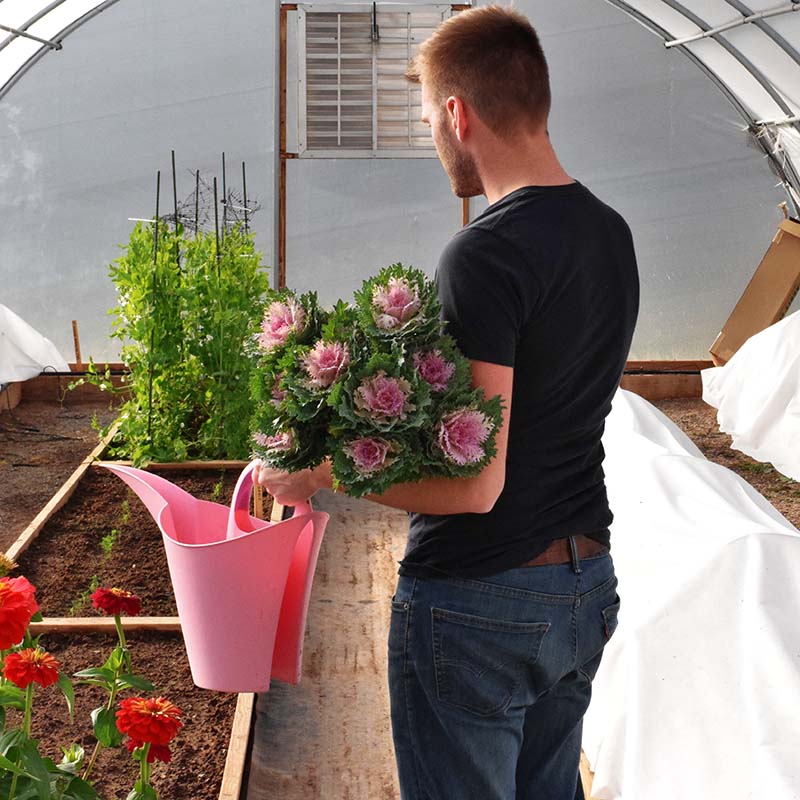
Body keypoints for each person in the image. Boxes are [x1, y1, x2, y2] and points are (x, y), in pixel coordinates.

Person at [256, 5, 639, 798]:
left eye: (430, 116)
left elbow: (476, 485)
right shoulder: (610, 233)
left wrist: (320, 472)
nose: (434, 135)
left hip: (480, 604)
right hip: (582, 588)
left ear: (459, 115)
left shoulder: (485, 254)